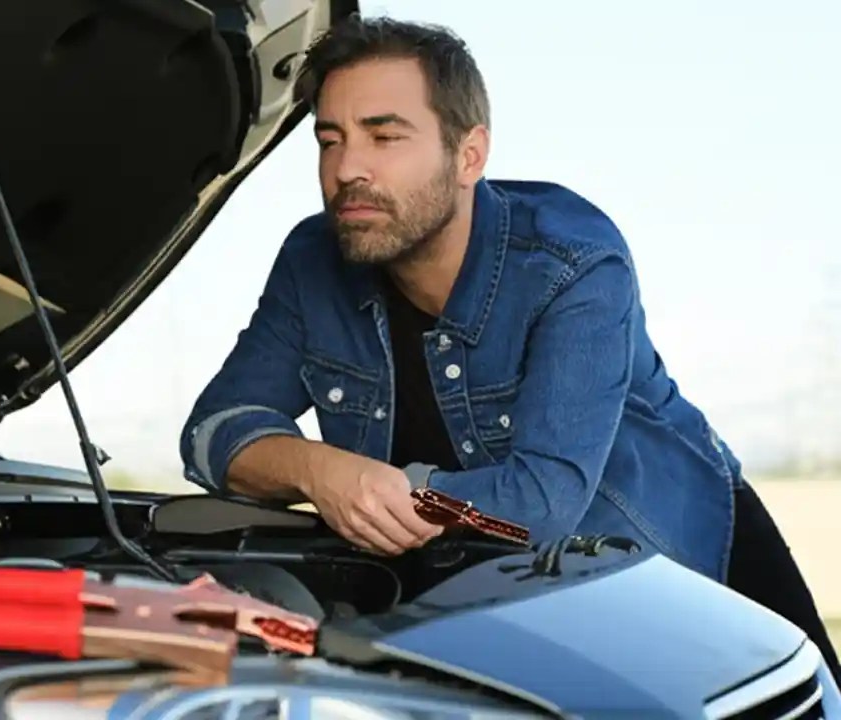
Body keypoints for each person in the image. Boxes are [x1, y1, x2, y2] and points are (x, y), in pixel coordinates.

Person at [178, 14, 839, 675]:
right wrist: (321, 472)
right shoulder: (312, 260)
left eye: (384, 136)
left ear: (469, 154)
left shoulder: (572, 261)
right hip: (464, 590)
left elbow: (540, 506)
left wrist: (398, 491)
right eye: (330, 139)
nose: (348, 167)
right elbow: (211, 433)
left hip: (662, 558)